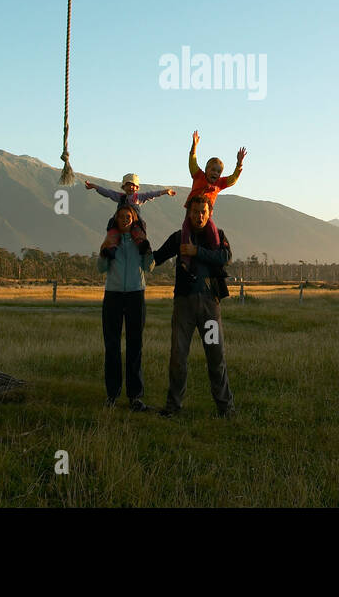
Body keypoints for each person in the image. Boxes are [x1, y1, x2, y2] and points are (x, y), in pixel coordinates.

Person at [153, 195, 236, 418]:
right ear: (188, 213)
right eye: (195, 211)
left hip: (209, 305)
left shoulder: (217, 237)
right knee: (178, 356)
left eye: (203, 211)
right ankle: (173, 407)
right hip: (184, 305)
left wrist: (196, 252)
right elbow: (157, 257)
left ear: (209, 213)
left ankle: (225, 409)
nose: (199, 215)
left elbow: (225, 257)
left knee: (215, 356)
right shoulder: (179, 238)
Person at [96, 204, 154, 411]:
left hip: (136, 294)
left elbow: (149, 267)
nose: (125, 219)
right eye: (121, 216)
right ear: (116, 219)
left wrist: (147, 251)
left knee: (134, 346)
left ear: (134, 218)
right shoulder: (111, 241)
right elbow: (101, 269)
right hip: (113, 294)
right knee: (112, 346)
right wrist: (103, 252)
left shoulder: (139, 241)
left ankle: (135, 396)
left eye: (128, 215)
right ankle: (112, 394)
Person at [181, 130, 246, 267]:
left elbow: (233, 179)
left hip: (206, 214)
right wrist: (194, 146)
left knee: (213, 232)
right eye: (212, 170)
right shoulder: (198, 175)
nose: (215, 173)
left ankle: (215, 255)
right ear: (206, 169)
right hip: (191, 211)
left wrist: (239, 164)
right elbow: (192, 161)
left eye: (218, 171)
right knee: (186, 229)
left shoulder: (219, 183)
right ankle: (185, 261)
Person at [86, 173, 175, 257]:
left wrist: (165, 191)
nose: (131, 187)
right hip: (119, 221)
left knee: (138, 231)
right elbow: (108, 193)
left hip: (134, 222)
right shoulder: (120, 196)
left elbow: (152, 194)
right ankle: (111, 249)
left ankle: (142, 247)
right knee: (113, 231)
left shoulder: (139, 197)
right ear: (124, 187)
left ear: (137, 188)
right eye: (128, 185)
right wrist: (95, 187)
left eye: (133, 185)